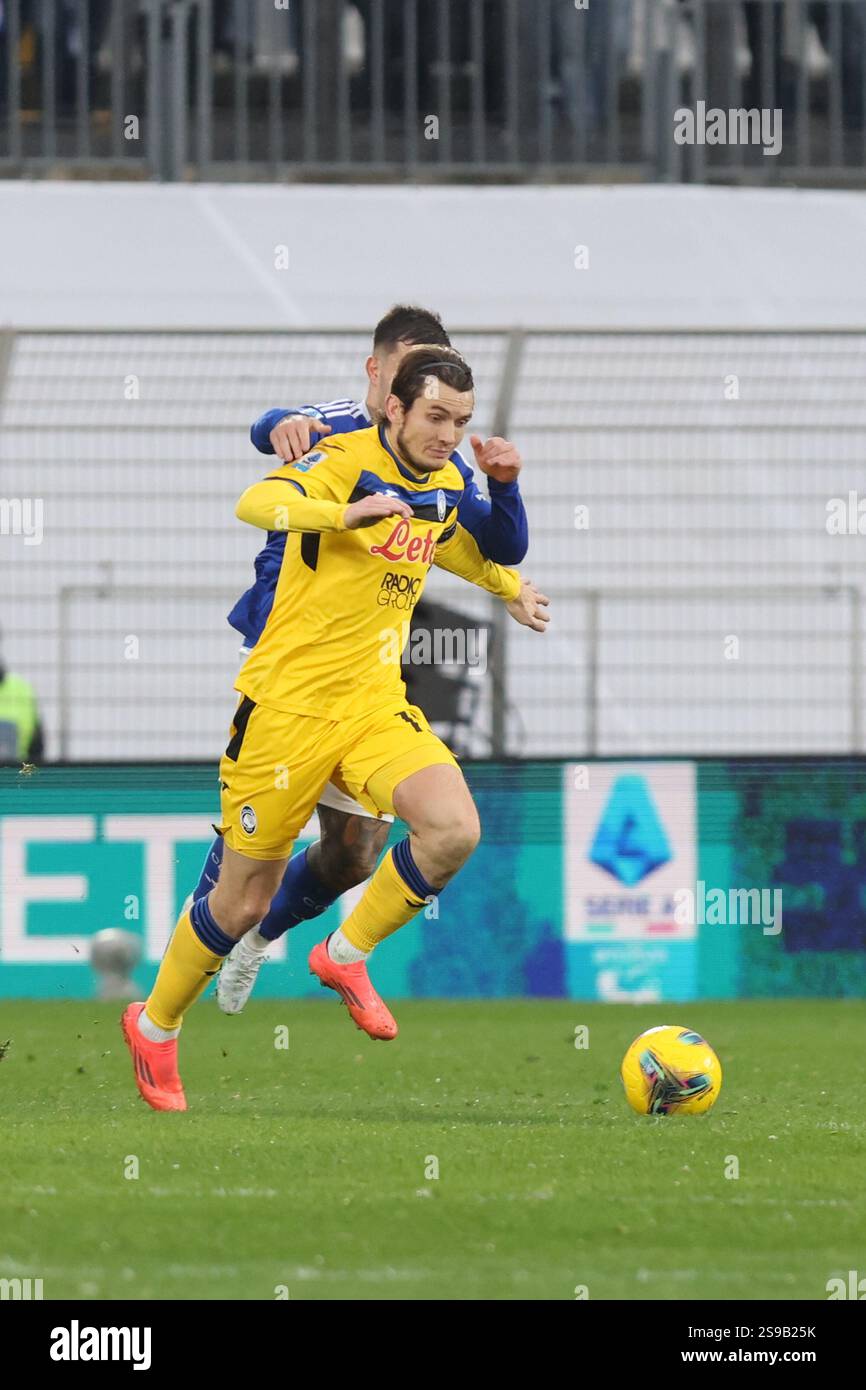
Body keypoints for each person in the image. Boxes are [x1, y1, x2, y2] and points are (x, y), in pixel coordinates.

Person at [121, 345, 549, 1111]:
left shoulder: (444, 481)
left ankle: (344, 953)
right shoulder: (342, 460)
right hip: (286, 711)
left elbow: (462, 544)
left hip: (373, 707)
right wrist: (341, 514)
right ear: (395, 407)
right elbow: (257, 503)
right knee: (242, 904)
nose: (449, 435)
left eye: (460, 421)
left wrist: (508, 579)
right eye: (436, 417)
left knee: (452, 829)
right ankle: (155, 1025)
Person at [198, 305, 529, 1015]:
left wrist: (505, 516)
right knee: (248, 855)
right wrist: (279, 424)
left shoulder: (440, 456)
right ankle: (192, 970)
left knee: (355, 854)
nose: (426, 396)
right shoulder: (340, 426)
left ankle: (258, 939)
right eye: (410, 375)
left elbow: (483, 543)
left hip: (365, 669)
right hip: (287, 654)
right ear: (379, 375)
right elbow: (271, 431)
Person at [0, 657, 44, 764]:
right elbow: (37, 734)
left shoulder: (21, 687)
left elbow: (37, 733)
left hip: (18, 762)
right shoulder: (21, 686)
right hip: (18, 763)